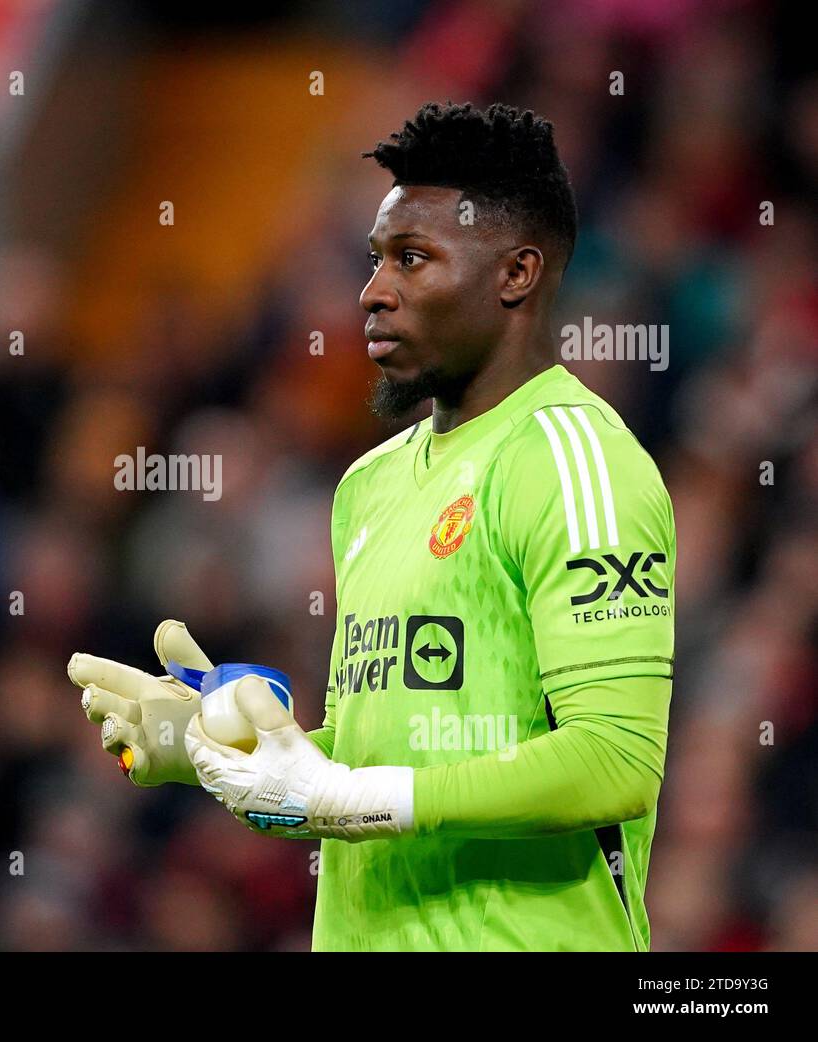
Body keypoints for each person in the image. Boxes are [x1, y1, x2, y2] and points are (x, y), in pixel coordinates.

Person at [69, 102, 675, 952]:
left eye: (412, 259)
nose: (372, 290)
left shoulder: (577, 463)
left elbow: (614, 761)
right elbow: (365, 768)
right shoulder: (369, 484)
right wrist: (213, 747)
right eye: (376, 259)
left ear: (517, 274)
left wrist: (356, 799)